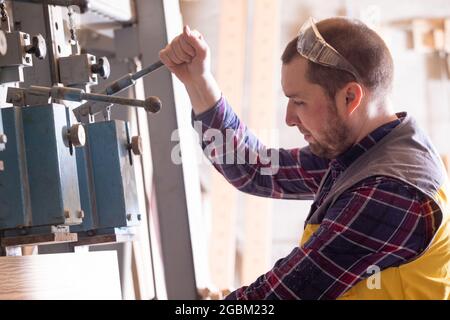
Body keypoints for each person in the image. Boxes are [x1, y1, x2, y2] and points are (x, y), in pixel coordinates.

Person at [159, 17, 450, 300]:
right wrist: (198, 80)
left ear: (350, 97)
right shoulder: (364, 151)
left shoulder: (391, 192)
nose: (288, 118)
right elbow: (254, 169)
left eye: (299, 102)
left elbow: (283, 294)